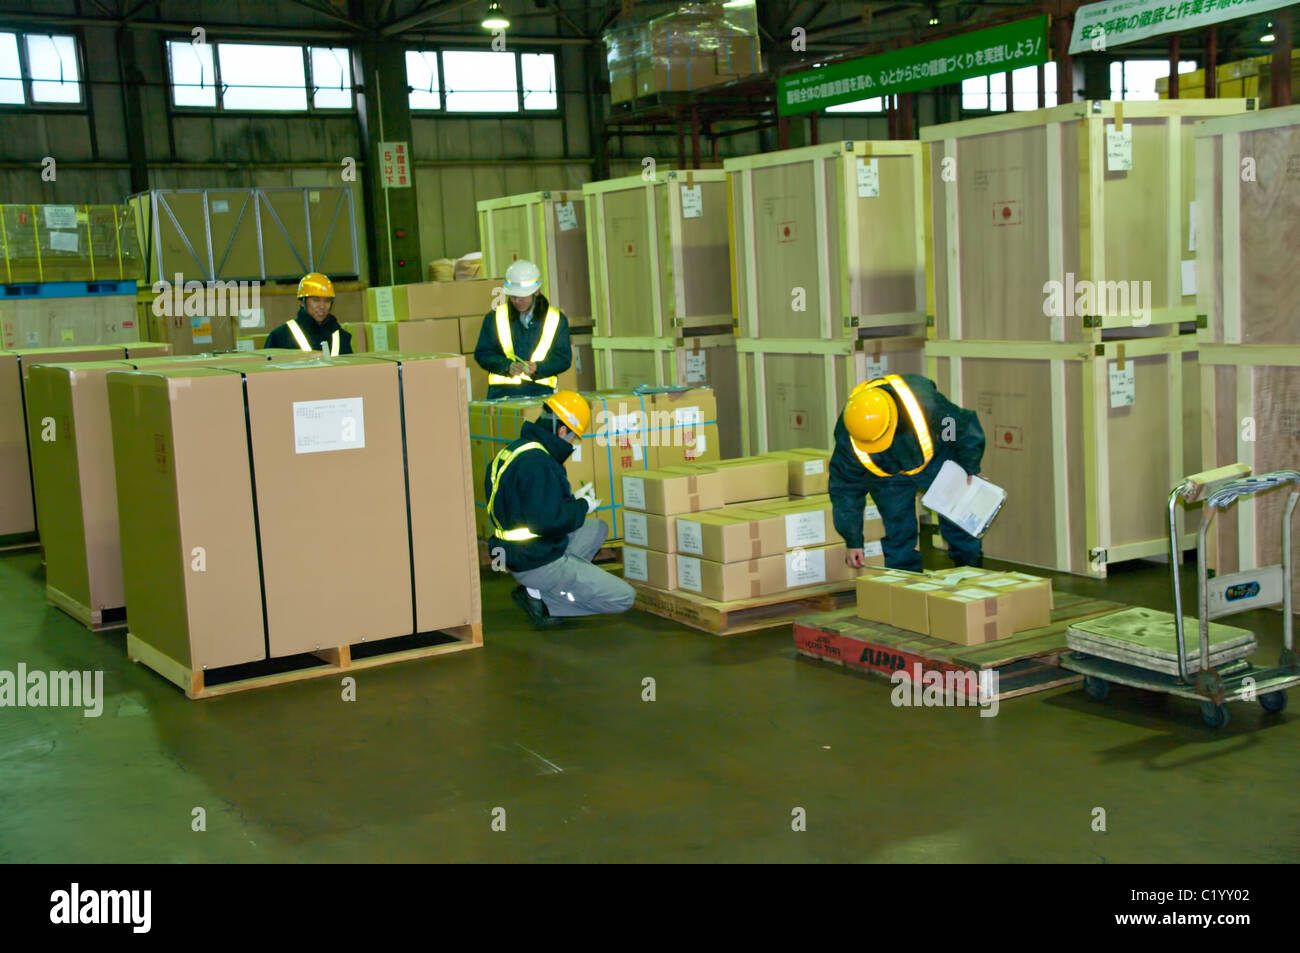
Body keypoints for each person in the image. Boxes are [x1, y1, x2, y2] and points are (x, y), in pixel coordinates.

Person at [485, 390, 635, 628]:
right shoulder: (540, 463)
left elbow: (527, 505)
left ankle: (541, 589)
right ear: (562, 431)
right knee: (624, 597)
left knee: (597, 528)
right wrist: (582, 505)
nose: (572, 443)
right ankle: (545, 604)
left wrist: (572, 500)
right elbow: (546, 522)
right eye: (573, 437)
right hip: (533, 559)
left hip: (510, 550)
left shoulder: (517, 450)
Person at [829, 373, 987, 572]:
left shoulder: (924, 403)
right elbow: (845, 489)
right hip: (886, 475)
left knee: (958, 519)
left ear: (893, 422)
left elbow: (958, 425)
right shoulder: (850, 432)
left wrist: (967, 466)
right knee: (899, 535)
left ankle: (971, 575)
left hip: (933, 460)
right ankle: (906, 588)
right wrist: (853, 540)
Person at [474, 259, 571, 399]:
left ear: (537, 291)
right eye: (513, 296)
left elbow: (563, 358)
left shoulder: (556, 319)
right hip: (502, 396)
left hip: (540, 394)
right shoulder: (494, 318)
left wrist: (539, 368)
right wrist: (506, 366)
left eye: (522, 297)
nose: (517, 301)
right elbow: (482, 354)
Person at [265, 272, 353, 355]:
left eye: (327, 300)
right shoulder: (280, 337)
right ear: (302, 302)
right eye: (315, 300)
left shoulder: (342, 337)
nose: (322, 306)